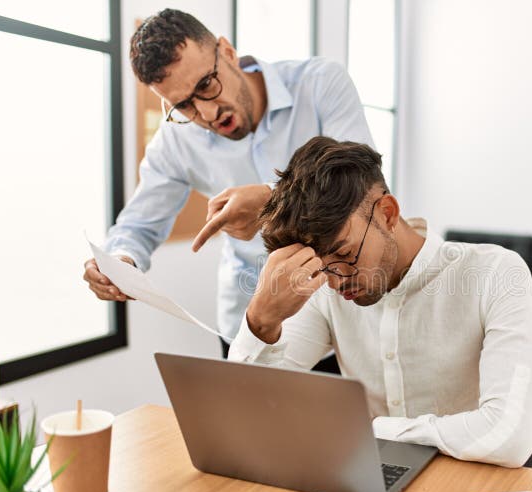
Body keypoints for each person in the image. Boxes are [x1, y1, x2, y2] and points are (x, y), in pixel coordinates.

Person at [229, 137, 532, 467]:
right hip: (369, 476)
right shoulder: (326, 282)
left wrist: (367, 430)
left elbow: (509, 436)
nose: (335, 281)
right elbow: (251, 411)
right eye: (321, 266)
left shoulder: (495, 272)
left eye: (345, 253)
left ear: (388, 214)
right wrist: (261, 320)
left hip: (471, 477)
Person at [81, 9, 373, 356]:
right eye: (184, 105)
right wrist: (119, 262)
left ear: (229, 52)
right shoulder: (175, 141)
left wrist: (273, 201)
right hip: (245, 324)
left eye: (206, 85)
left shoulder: (320, 83)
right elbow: (138, 224)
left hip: (337, 312)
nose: (207, 114)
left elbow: (362, 182)